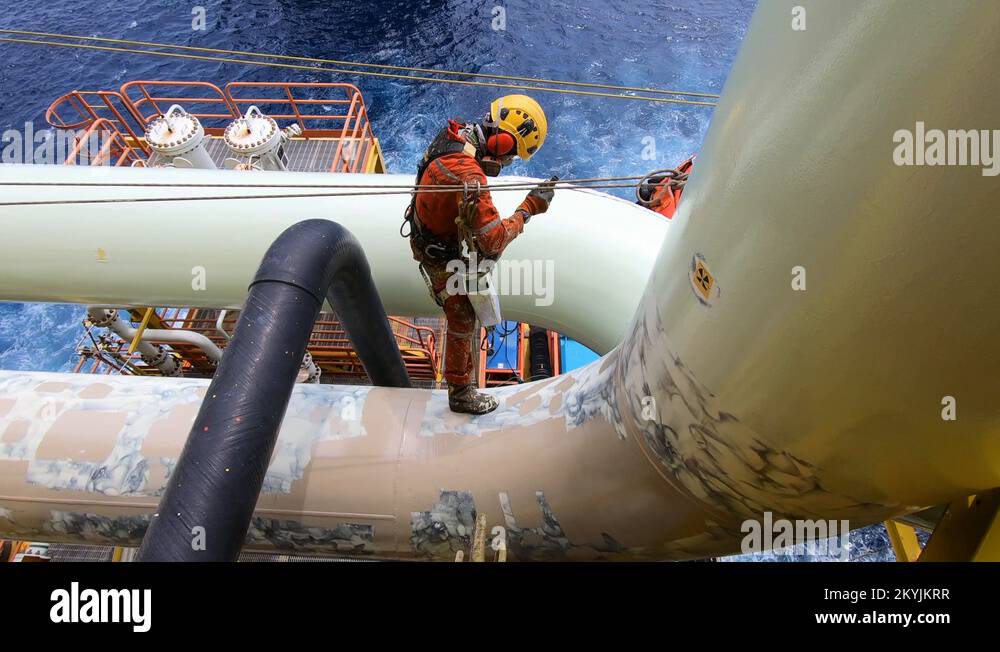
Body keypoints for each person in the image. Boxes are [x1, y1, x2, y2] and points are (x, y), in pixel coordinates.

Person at [404, 94, 556, 414]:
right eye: (511, 155)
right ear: (501, 142)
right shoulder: (469, 175)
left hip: (424, 233)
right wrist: (528, 209)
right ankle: (460, 393)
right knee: (463, 316)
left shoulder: (453, 135)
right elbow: (492, 242)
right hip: (437, 255)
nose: (507, 162)